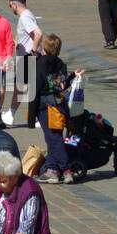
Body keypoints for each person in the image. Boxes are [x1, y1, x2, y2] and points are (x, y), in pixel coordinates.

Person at [37, 34, 82, 184]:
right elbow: (62, 86)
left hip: (45, 105)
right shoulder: (61, 64)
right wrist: (71, 77)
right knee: (53, 137)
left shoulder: (40, 63)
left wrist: (31, 113)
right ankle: (52, 170)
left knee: (53, 138)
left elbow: (36, 87)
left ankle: (66, 169)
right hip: (59, 104)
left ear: (45, 47)